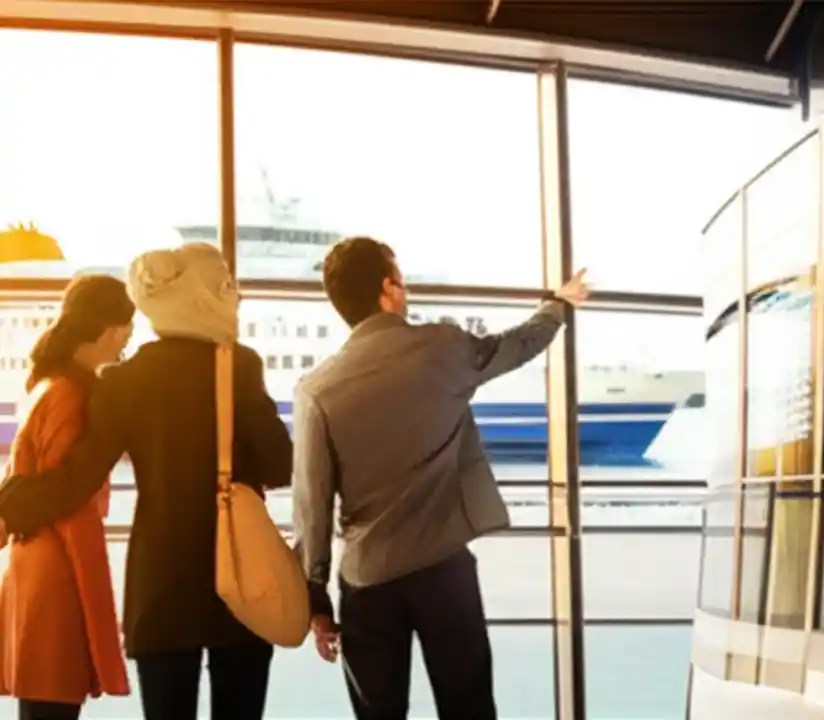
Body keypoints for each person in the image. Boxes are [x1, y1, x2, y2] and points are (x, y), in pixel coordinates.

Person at [293, 236, 588, 719]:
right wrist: (556, 305)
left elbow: (312, 506)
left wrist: (316, 602)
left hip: (368, 581)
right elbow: (519, 345)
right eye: (402, 282)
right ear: (389, 289)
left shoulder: (315, 391)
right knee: (468, 706)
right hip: (443, 571)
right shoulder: (442, 347)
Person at [0, 243, 292, 720]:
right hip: (241, 575)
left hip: (161, 589)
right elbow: (280, 467)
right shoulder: (238, 364)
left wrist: (11, 504)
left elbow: (77, 480)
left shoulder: (123, 380)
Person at [0, 275, 134, 720]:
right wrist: (93, 594)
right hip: (58, 573)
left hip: (32, 565)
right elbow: (69, 501)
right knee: (52, 706)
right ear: (115, 330)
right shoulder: (71, 395)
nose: (125, 348)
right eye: (126, 336)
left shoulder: (45, 385)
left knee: (38, 706)